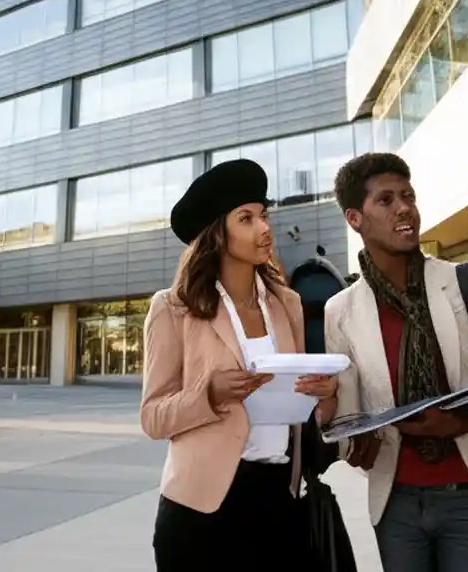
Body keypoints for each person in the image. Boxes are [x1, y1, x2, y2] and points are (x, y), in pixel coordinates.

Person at [317, 152, 468, 572]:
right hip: (395, 501)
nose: (404, 208)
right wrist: (350, 441)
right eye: (385, 200)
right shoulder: (340, 311)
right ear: (355, 218)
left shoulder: (467, 283)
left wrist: (459, 423)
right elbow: (348, 417)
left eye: (408, 196)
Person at [140, 159, 338, 571]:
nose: (263, 228)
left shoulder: (288, 304)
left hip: (279, 500)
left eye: (263, 215)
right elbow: (153, 417)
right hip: (201, 510)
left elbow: (309, 412)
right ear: (217, 232)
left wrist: (324, 395)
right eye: (245, 218)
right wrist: (208, 395)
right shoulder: (173, 309)